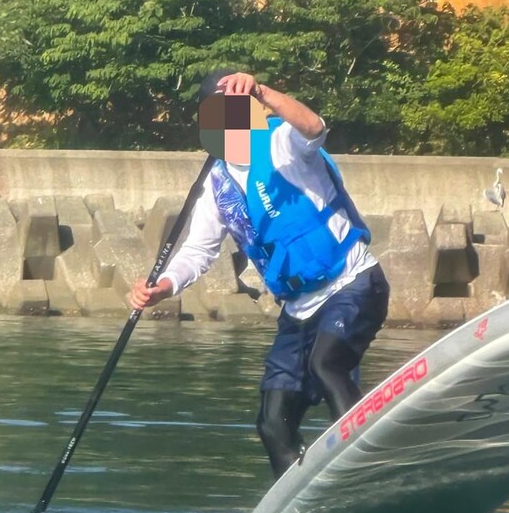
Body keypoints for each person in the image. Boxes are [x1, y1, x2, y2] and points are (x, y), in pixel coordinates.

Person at [128, 70, 389, 478]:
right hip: (298, 309)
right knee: (272, 423)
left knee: (326, 365)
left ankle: (366, 469)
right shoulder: (217, 185)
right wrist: (163, 286)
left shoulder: (283, 141)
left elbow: (314, 127)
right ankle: (303, 499)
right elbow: (197, 251)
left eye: (239, 110)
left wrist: (264, 92)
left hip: (351, 283)